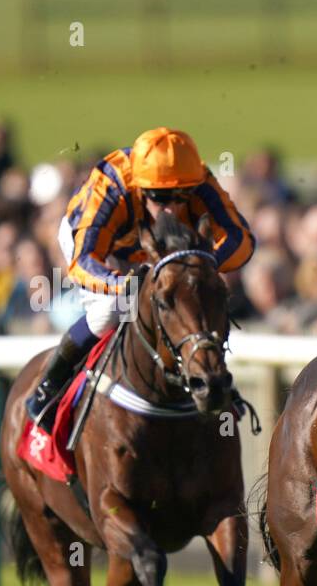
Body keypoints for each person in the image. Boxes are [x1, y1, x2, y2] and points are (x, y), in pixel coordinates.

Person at [24, 127, 254, 421]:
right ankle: (49, 386)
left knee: (190, 298)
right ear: (141, 188)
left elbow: (242, 240)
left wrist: (205, 263)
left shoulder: (199, 179)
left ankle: (209, 381)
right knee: (112, 309)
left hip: (159, 250)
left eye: (181, 195)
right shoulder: (110, 187)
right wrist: (123, 284)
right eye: (160, 197)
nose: (170, 210)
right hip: (101, 248)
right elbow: (84, 261)